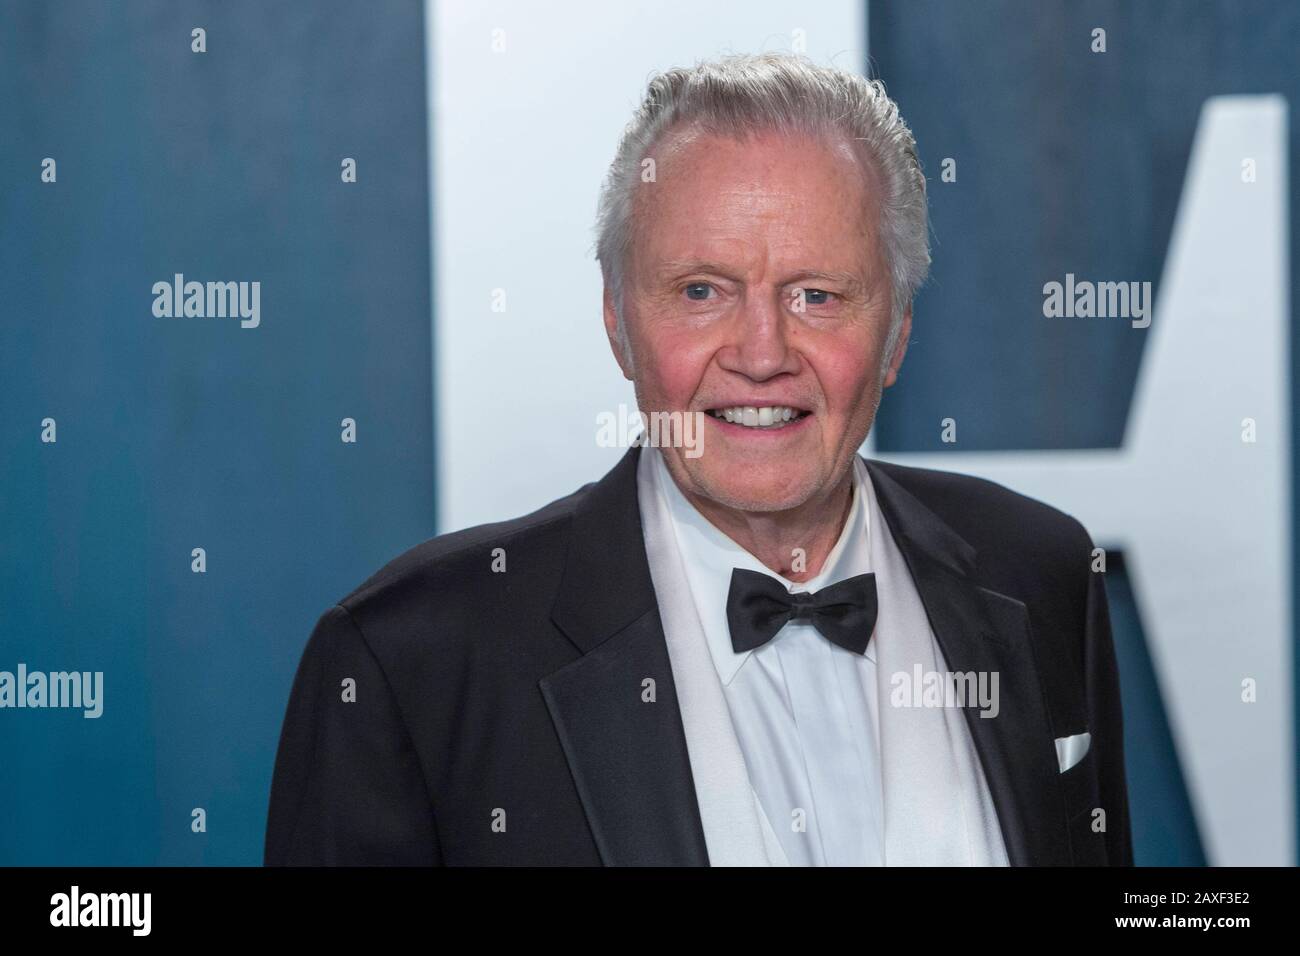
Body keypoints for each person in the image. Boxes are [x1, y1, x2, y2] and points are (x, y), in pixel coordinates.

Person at [265, 51, 1132, 866]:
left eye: (817, 295)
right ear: (619, 323)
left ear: (897, 334)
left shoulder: (1042, 571)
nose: (762, 353)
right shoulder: (407, 663)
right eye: (701, 291)